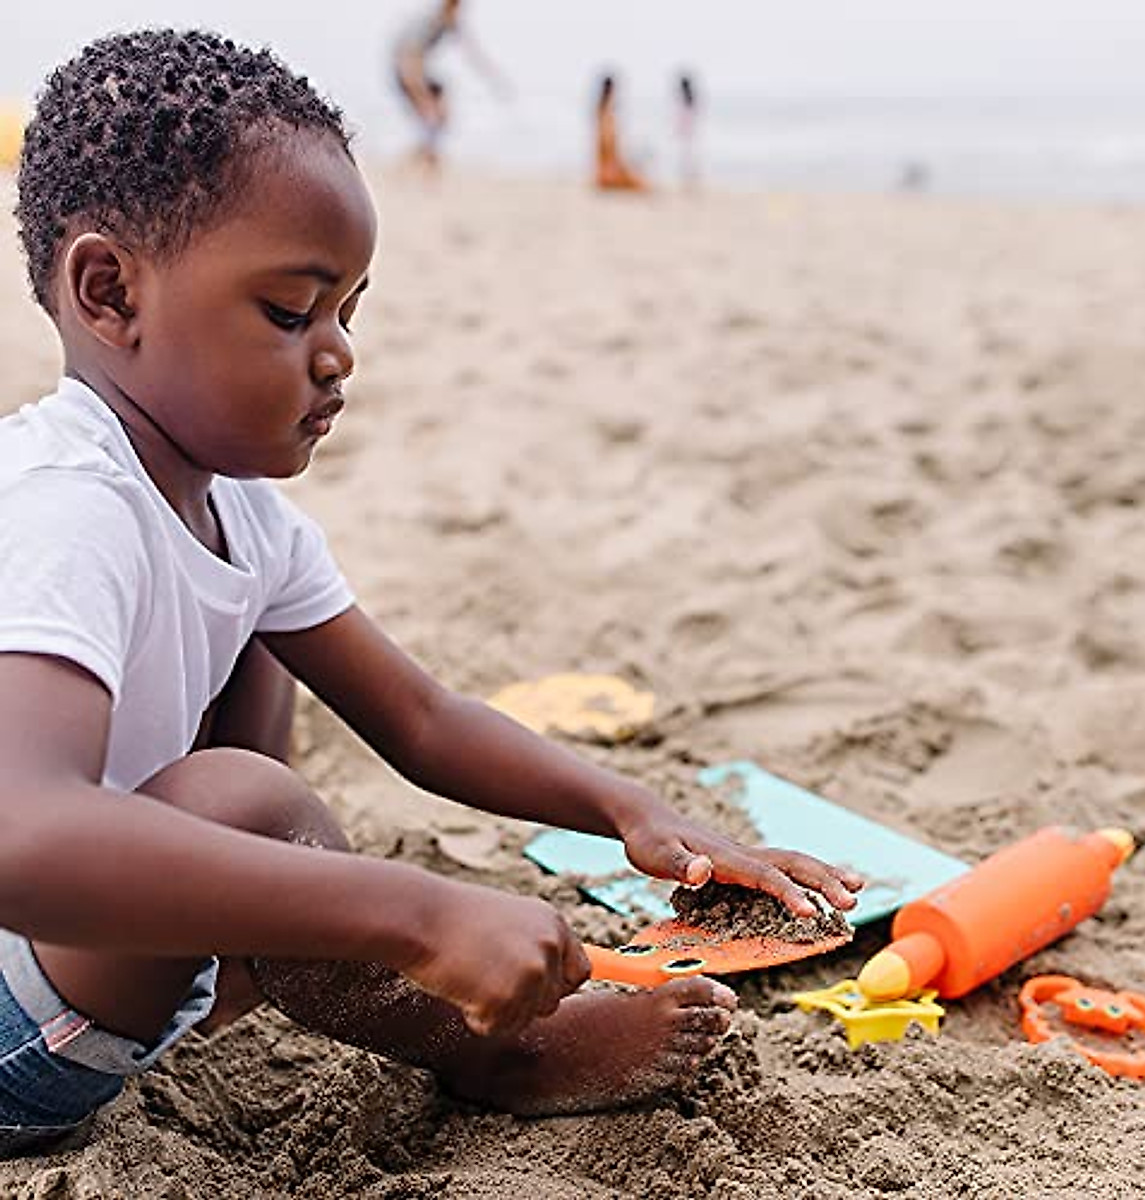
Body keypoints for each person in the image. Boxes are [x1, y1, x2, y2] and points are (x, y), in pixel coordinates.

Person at [0, 29, 862, 1158]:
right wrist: (420, 914)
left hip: (85, 980)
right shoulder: (66, 505)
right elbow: (20, 832)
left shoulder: (239, 509)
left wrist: (640, 818)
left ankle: (241, 960)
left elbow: (422, 718)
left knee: (265, 652)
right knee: (245, 803)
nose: (339, 354)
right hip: (16, 1024)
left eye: (349, 311)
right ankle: (494, 1055)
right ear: (110, 291)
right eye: (290, 312)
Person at [392, 0, 509, 169]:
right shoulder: (430, 22)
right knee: (432, 116)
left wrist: (495, 81)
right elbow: (409, 59)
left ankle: (425, 158)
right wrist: (421, 95)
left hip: (417, 71)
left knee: (439, 118)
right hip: (405, 71)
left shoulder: (449, 22)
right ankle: (420, 161)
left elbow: (473, 55)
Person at [595, 73, 649, 192]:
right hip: (608, 173)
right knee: (642, 184)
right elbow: (607, 145)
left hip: (604, 171)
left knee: (640, 179)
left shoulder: (602, 111)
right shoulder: (606, 113)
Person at [675, 71, 700, 189]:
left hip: (688, 133)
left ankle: (689, 180)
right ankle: (689, 180)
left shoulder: (686, 100)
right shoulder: (690, 99)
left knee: (688, 157)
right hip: (690, 133)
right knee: (690, 157)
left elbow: (685, 118)